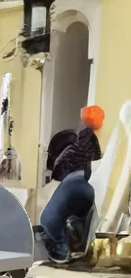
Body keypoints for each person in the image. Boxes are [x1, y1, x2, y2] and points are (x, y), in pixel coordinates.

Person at [37, 105, 104, 263]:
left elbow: (48, 220)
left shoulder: (61, 183)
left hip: (75, 182)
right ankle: (73, 245)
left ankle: (64, 249)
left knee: (47, 221)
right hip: (90, 186)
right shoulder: (90, 143)